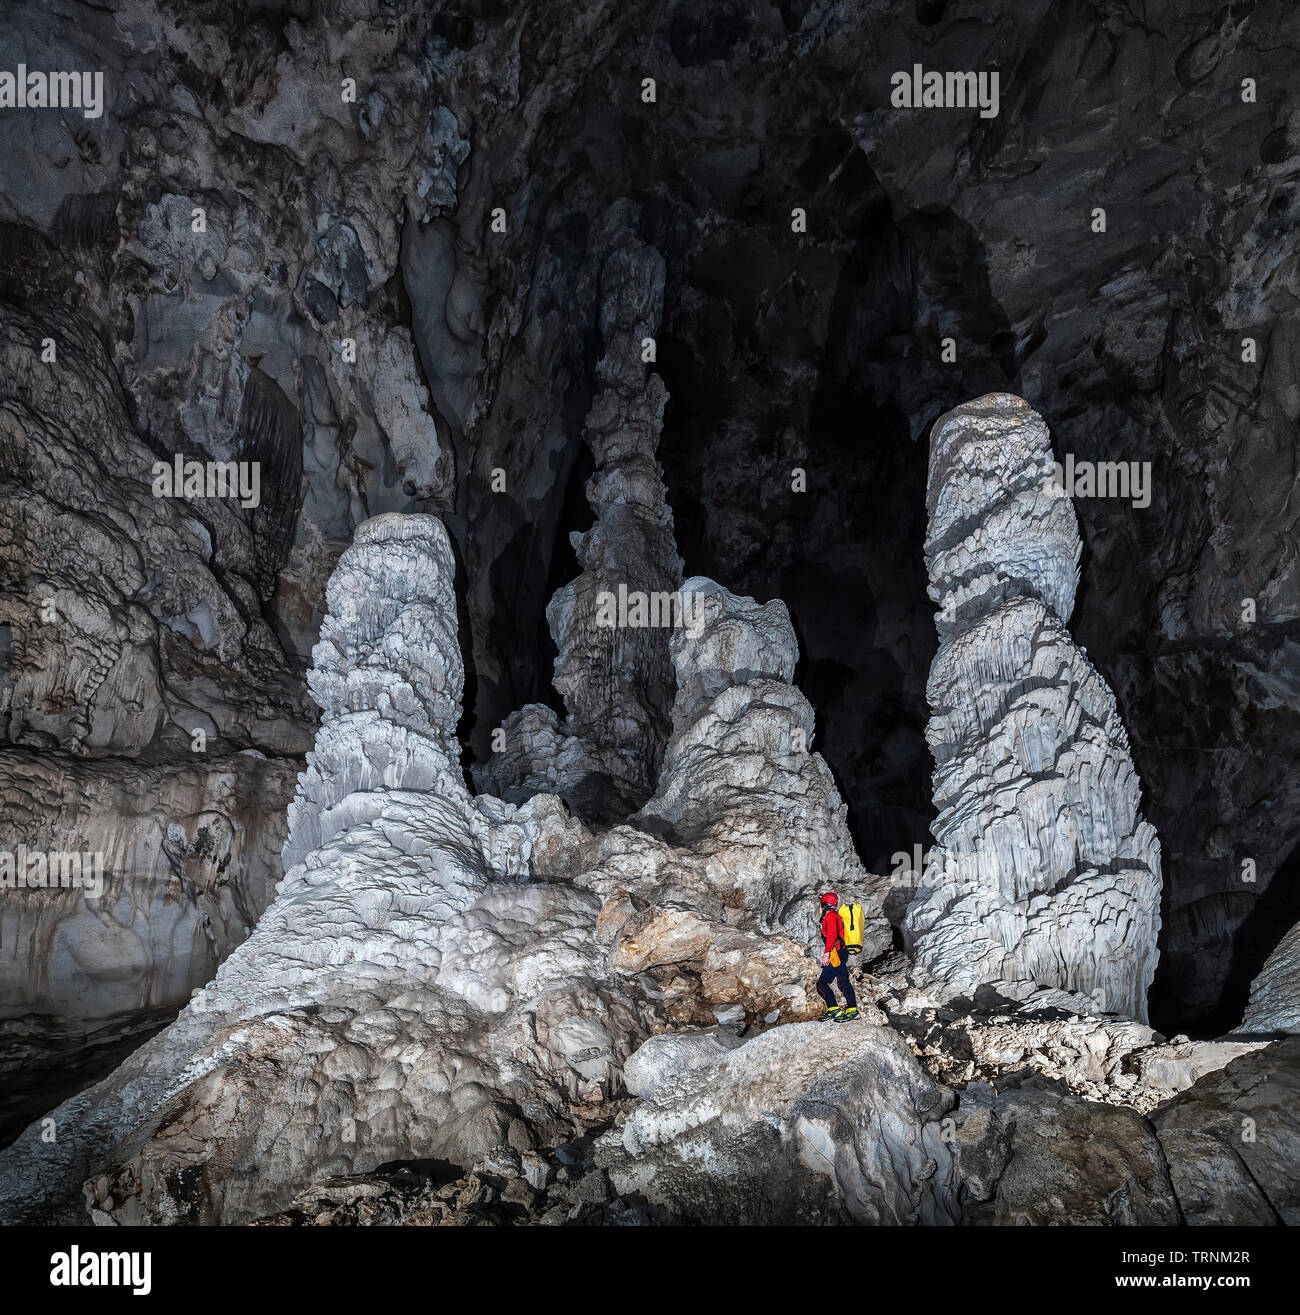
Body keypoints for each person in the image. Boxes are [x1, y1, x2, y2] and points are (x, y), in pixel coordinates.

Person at [815, 891, 859, 1021]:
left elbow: (833, 935)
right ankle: (837, 1009)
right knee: (838, 981)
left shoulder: (831, 916)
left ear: (825, 906)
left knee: (824, 984)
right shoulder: (833, 915)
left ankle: (845, 1010)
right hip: (839, 952)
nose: (819, 908)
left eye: (821, 905)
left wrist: (826, 953)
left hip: (836, 953)